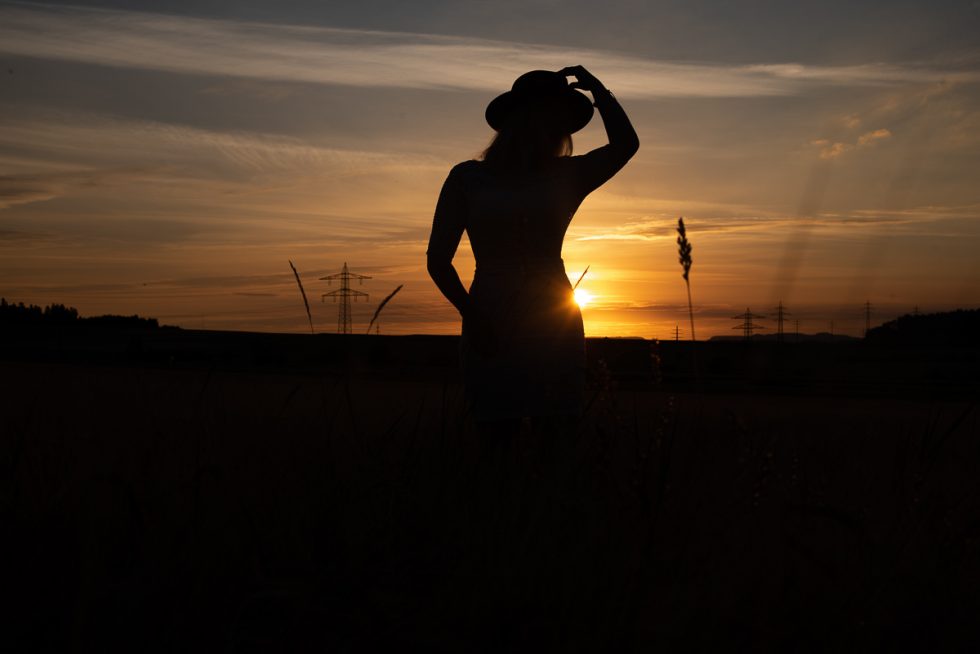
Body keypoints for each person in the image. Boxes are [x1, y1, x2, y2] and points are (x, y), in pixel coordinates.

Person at [426, 66, 639, 428]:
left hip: (554, 320)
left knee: (557, 431)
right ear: (521, 117)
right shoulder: (467, 178)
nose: (557, 127)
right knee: (495, 431)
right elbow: (438, 260)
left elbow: (625, 145)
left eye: (561, 118)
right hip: (490, 314)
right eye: (550, 114)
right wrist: (474, 317)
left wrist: (600, 91)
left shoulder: (568, 174)